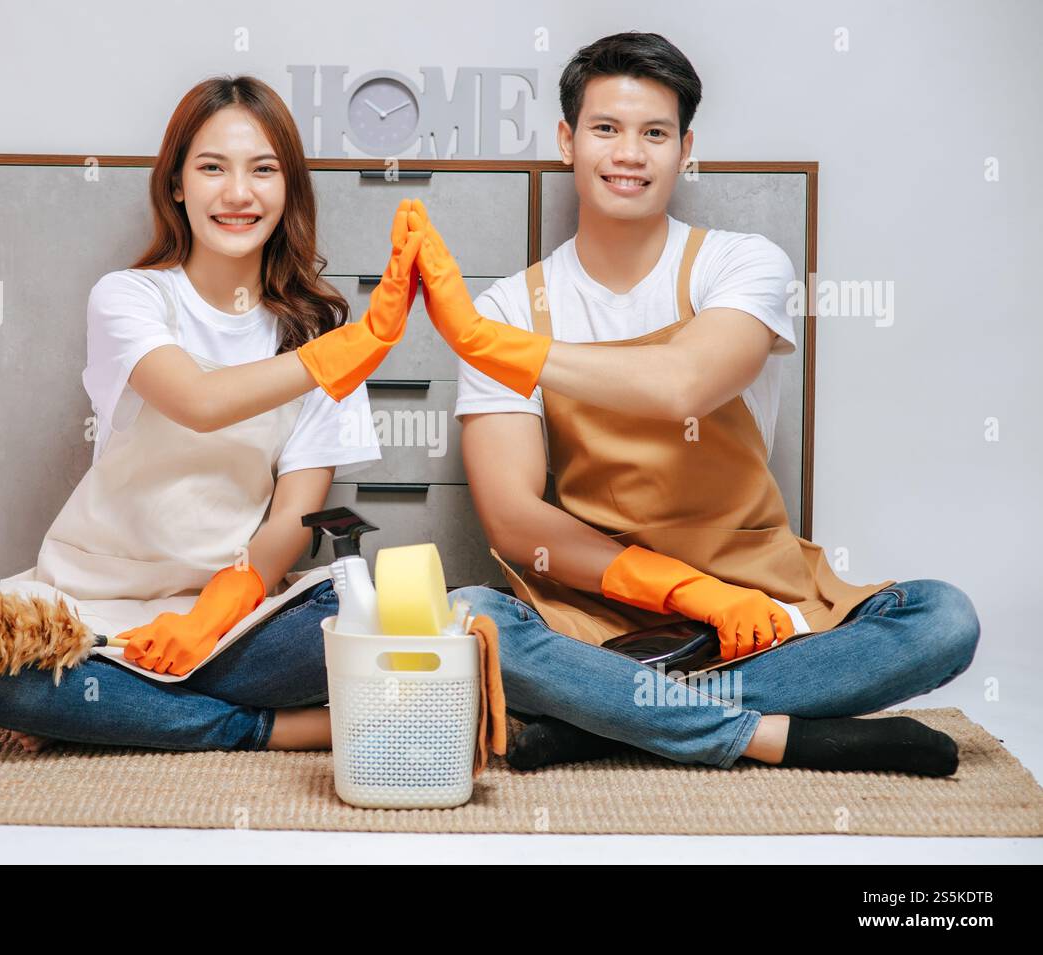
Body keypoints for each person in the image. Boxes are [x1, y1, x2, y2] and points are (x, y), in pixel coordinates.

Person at [414, 32, 979, 776]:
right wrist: (688, 590)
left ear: (685, 151)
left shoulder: (740, 264)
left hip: (759, 604)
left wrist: (501, 347)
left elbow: (682, 383)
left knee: (942, 619)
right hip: (607, 612)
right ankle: (778, 735)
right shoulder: (511, 305)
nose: (629, 153)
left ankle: (604, 721)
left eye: (654, 133)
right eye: (605, 128)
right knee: (475, 621)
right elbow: (517, 523)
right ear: (566, 140)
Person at [0, 75, 423, 754]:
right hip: (93, 602)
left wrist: (212, 614)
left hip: (232, 611)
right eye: (211, 168)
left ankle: (114, 713)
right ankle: (269, 729)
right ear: (175, 184)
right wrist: (354, 347)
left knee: (356, 613)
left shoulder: (319, 335)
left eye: (263, 169)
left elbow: (294, 516)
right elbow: (198, 402)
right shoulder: (130, 298)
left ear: (288, 188)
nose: (237, 193)